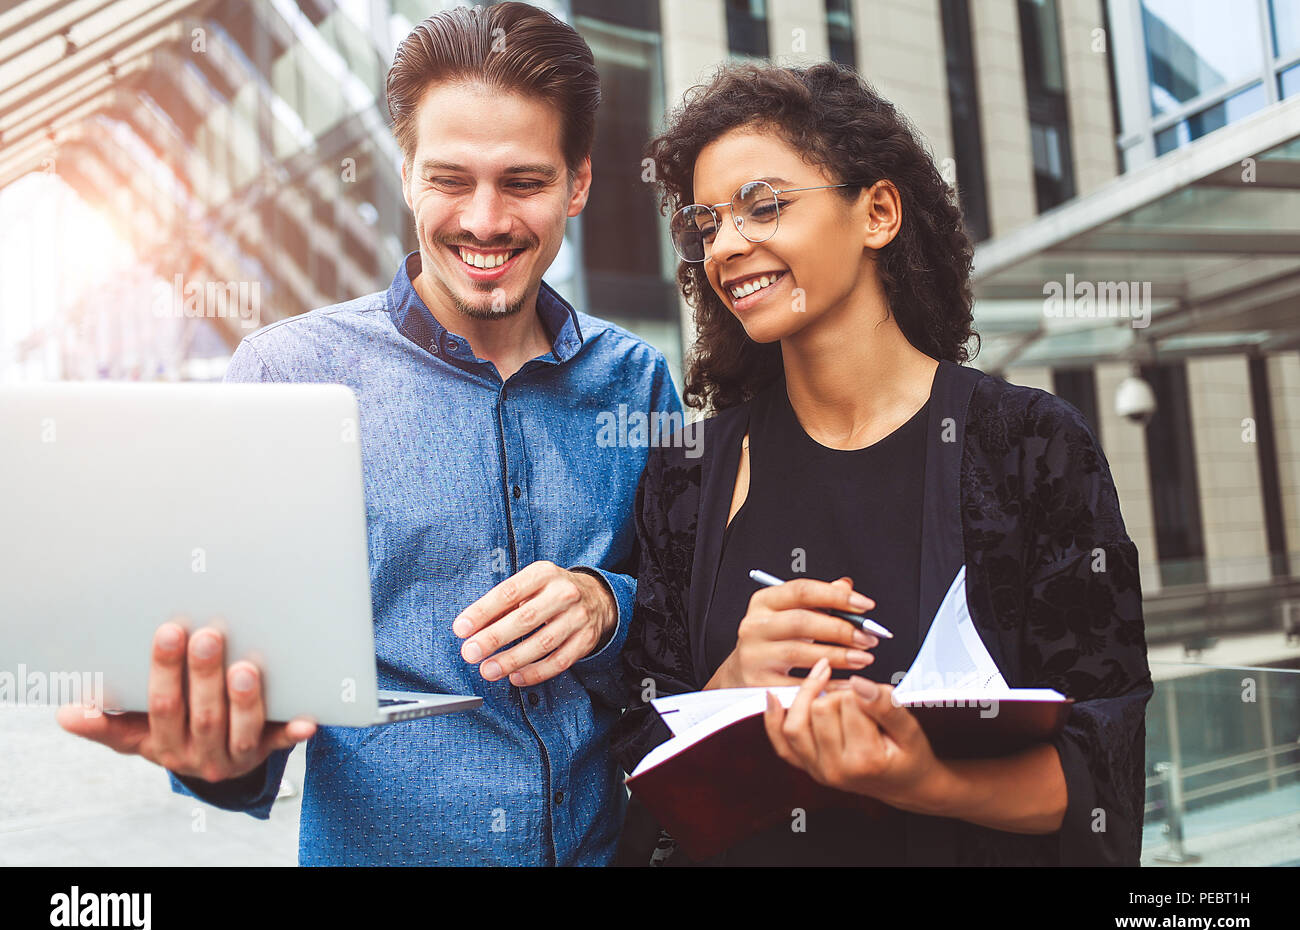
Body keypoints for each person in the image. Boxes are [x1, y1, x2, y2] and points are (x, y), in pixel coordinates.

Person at [57, 2, 681, 866]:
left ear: (578, 183)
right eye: (451, 179)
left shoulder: (637, 382)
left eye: (524, 182)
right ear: (405, 173)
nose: (486, 220)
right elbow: (240, 675)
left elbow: (684, 638)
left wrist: (608, 605)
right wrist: (220, 758)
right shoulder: (287, 377)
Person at [610, 60, 1152, 866]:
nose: (725, 246)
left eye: (763, 205)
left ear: (879, 212)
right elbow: (643, 778)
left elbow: (1103, 773)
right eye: (706, 222)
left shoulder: (1030, 447)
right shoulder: (686, 475)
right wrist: (728, 688)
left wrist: (922, 777)